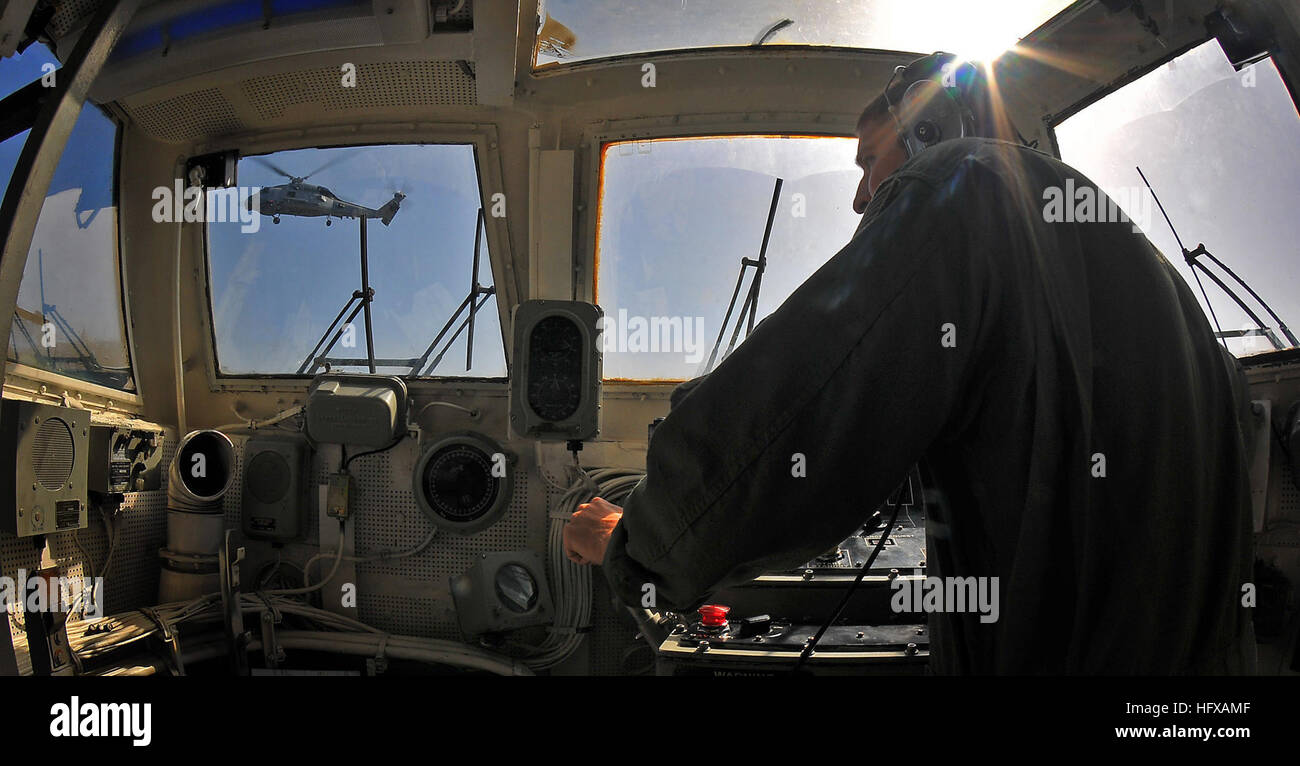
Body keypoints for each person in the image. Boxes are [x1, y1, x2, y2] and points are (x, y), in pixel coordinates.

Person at [563, 52, 1257, 674]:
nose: (862, 195)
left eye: (868, 159)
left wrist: (638, 544)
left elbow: (779, 425)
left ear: (929, 128)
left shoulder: (959, 185)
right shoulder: (1149, 273)